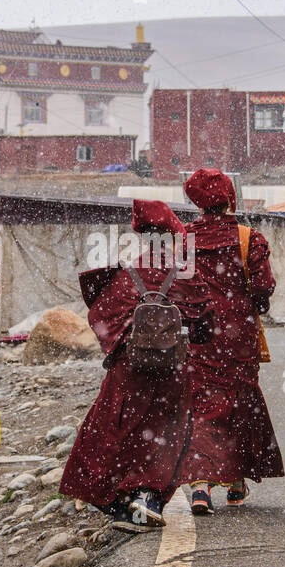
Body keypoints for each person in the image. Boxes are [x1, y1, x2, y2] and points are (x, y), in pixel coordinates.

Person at [60, 200, 211, 531]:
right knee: (167, 433)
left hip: (130, 370)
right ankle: (148, 497)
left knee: (114, 431)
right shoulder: (185, 273)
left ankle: (117, 501)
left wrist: (122, 346)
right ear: (170, 237)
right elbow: (205, 324)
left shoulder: (125, 275)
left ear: (142, 237)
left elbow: (100, 318)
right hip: (175, 368)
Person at [178, 168, 284, 514]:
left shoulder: (184, 239)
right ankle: (236, 485)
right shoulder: (247, 237)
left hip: (198, 338)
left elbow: (176, 288)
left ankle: (200, 486)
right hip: (238, 338)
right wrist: (253, 301)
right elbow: (264, 285)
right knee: (238, 404)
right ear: (228, 198)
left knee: (202, 407)